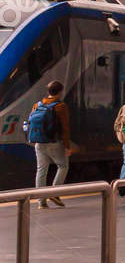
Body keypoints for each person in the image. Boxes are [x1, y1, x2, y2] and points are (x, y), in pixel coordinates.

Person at [27, 79, 74, 207]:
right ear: (60, 92)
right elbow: (65, 128)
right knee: (63, 166)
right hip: (54, 143)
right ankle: (54, 193)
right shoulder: (60, 106)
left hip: (39, 143)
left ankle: (41, 202)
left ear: (48, 91)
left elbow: (30, 123)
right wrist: (67, 146)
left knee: (41, 171)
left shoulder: (37, 105)